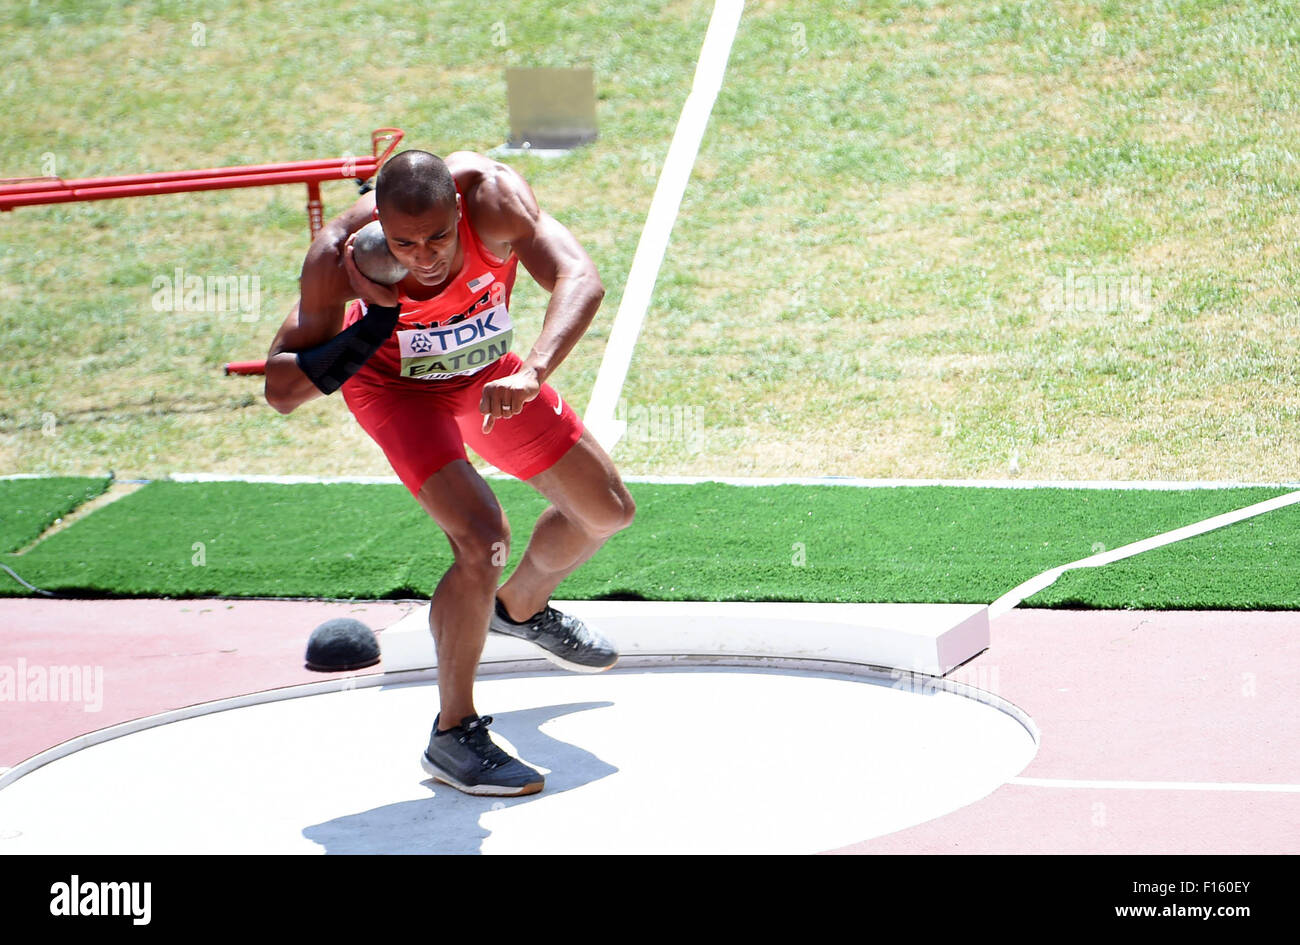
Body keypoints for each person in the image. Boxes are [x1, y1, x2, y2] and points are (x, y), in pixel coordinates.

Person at [264, 149, 635, 797]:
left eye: (438, 236)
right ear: (376, 223)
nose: (426, 256)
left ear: (459, 211)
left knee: (605, 510)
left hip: (491, 374)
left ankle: (518, 608)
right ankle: (453, 731)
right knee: (482, 535)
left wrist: (534, 369)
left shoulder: (492, 197)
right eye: (404, 244)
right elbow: (282, 389)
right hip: (398, 390)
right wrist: (373, 321)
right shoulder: (337, 257)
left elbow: (581, 275)